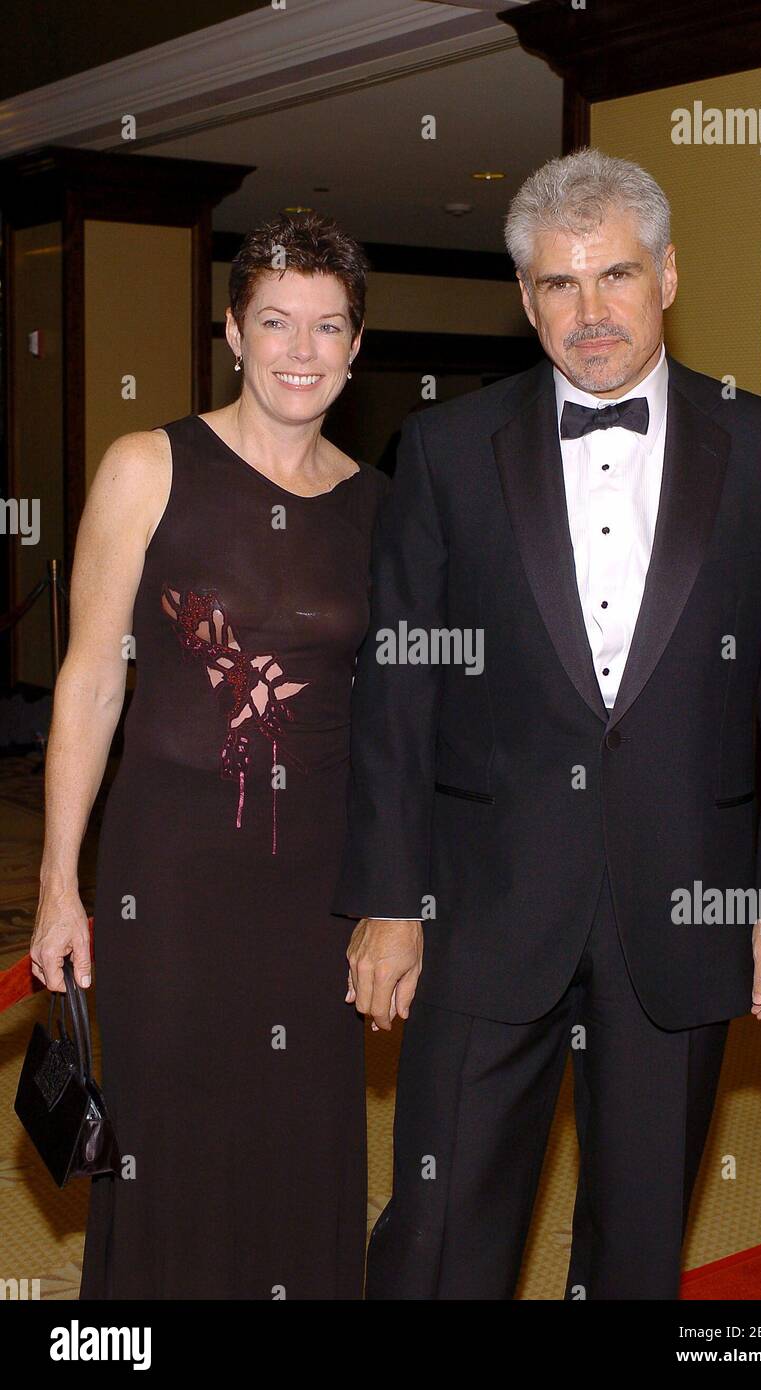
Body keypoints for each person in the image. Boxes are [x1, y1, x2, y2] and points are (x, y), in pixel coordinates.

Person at [333, 148, 761, 1299]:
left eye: (614, 276)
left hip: (687, 902)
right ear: (525, 299)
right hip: (478, 905)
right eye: (558, 285)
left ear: (667, 274)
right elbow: (398, 691)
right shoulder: (448, 451)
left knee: (637, 1244)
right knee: (438, 1230)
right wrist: (384, 897)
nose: (590, 312)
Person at [30, 211, 389, 1299]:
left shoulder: (381, 506)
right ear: (233, 330)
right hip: (171, 878)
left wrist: (395, 899)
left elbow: (393, 722)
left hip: (317, 883)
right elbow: (91, 680)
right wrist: (58, 884)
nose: (299, 349)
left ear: (357, 346)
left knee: (302, 1137)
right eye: (274, 320)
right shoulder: (149, 465)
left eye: (327, 327)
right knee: (171, 1139)